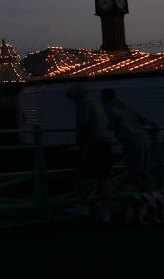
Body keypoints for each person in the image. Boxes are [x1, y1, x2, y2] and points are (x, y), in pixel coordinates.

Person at [65, 84, 113, 222]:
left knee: (81, 175)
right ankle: (106, 211)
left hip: (92, 144)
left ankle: (82, 206)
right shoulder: (96, 104)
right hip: (104, 143)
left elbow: (83, 125)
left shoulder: (83, 104)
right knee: (104, 178)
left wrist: (82, 146)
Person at [101, 89, 155, 192]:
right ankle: (154, 193)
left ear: (105, 97)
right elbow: (144, 120)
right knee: (144, 170)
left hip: (132, 142)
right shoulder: (126, 106)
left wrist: (107, 127)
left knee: (133, 174)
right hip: (144, 139)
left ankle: (148, 193)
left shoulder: (108, 107)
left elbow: (115, 123)